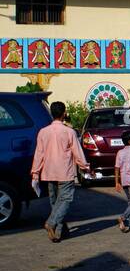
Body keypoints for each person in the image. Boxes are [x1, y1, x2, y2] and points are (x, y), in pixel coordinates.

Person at [30, 100, 87, 242]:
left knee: (55, 202)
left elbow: (39, 154)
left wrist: (35, 172)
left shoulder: (43, 132)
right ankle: (51, 223)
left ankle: (60, 230)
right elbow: (77, 152)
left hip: (49, 172)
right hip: (65, 172)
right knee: (66, 200)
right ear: (64, 113)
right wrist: (85, 166)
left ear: (51, 113)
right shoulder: (69, 132)